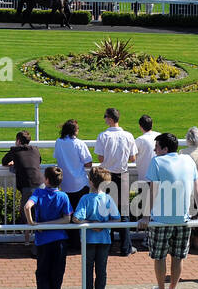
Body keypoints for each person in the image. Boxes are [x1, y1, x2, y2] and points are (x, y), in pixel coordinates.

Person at [140, 132, 198, 289]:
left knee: (160, 256)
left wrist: (145, 217)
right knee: (178, 256)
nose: (154, 150)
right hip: (183, 219)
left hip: (160, 220)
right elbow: (197, 190)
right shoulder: (188, 160)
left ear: (164, 149)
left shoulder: (157, 161)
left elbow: (153, 191)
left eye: (157, 147)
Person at [24, 165, 72, 289]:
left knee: (42, 272)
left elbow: (27, 206)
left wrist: (33, 224)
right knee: (57, 272)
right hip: (59, 241)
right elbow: (66, 219)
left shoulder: (38, 193)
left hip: (43, 241)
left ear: (46, 179)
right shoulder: (63, 196)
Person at [72, 168, 120, 289]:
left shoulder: (85, 199)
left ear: (91, 181)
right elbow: (116, 218)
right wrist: (101, 225)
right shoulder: (108, 198)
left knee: (87, 270)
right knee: (101, 270)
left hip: (88, 239)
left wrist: (90, 223)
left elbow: (76, 218)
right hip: (104, 240)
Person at [95, 108, 137, 256]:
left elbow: (100, 159)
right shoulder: (129, 135)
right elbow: (133, 158)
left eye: (105, 117)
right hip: (122, 174)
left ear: (110, 119)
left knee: (107, 211)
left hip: (107, 176)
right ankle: (126, 247)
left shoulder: (103, 136)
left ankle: (108, 245)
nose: (104, 119)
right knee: (124, 212)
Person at [2, 131, 43, 246]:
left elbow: (4, 161)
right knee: (39, 213)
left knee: (26, 212)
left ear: (18, 141)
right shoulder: (35, 149)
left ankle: (27, 241)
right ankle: (36, 240)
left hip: (28, 186)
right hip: (40, 183)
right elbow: (38, 161)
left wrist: (14, 161)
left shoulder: (15, 150)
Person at [52, 119, 94, 213]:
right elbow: (88, 164)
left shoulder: (58, 142)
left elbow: (57, 156)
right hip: (80, 184)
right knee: (80, 214)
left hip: (65, 184)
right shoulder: (79, 143)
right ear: (74, 130)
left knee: (68, 215)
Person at [133, 115, 159, 234]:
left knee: (146, 210)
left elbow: (132, 158)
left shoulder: (139, 140)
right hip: (158, 178)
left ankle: (146, 236)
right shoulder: (159, 136)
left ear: (140, 126)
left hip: (144, 178)